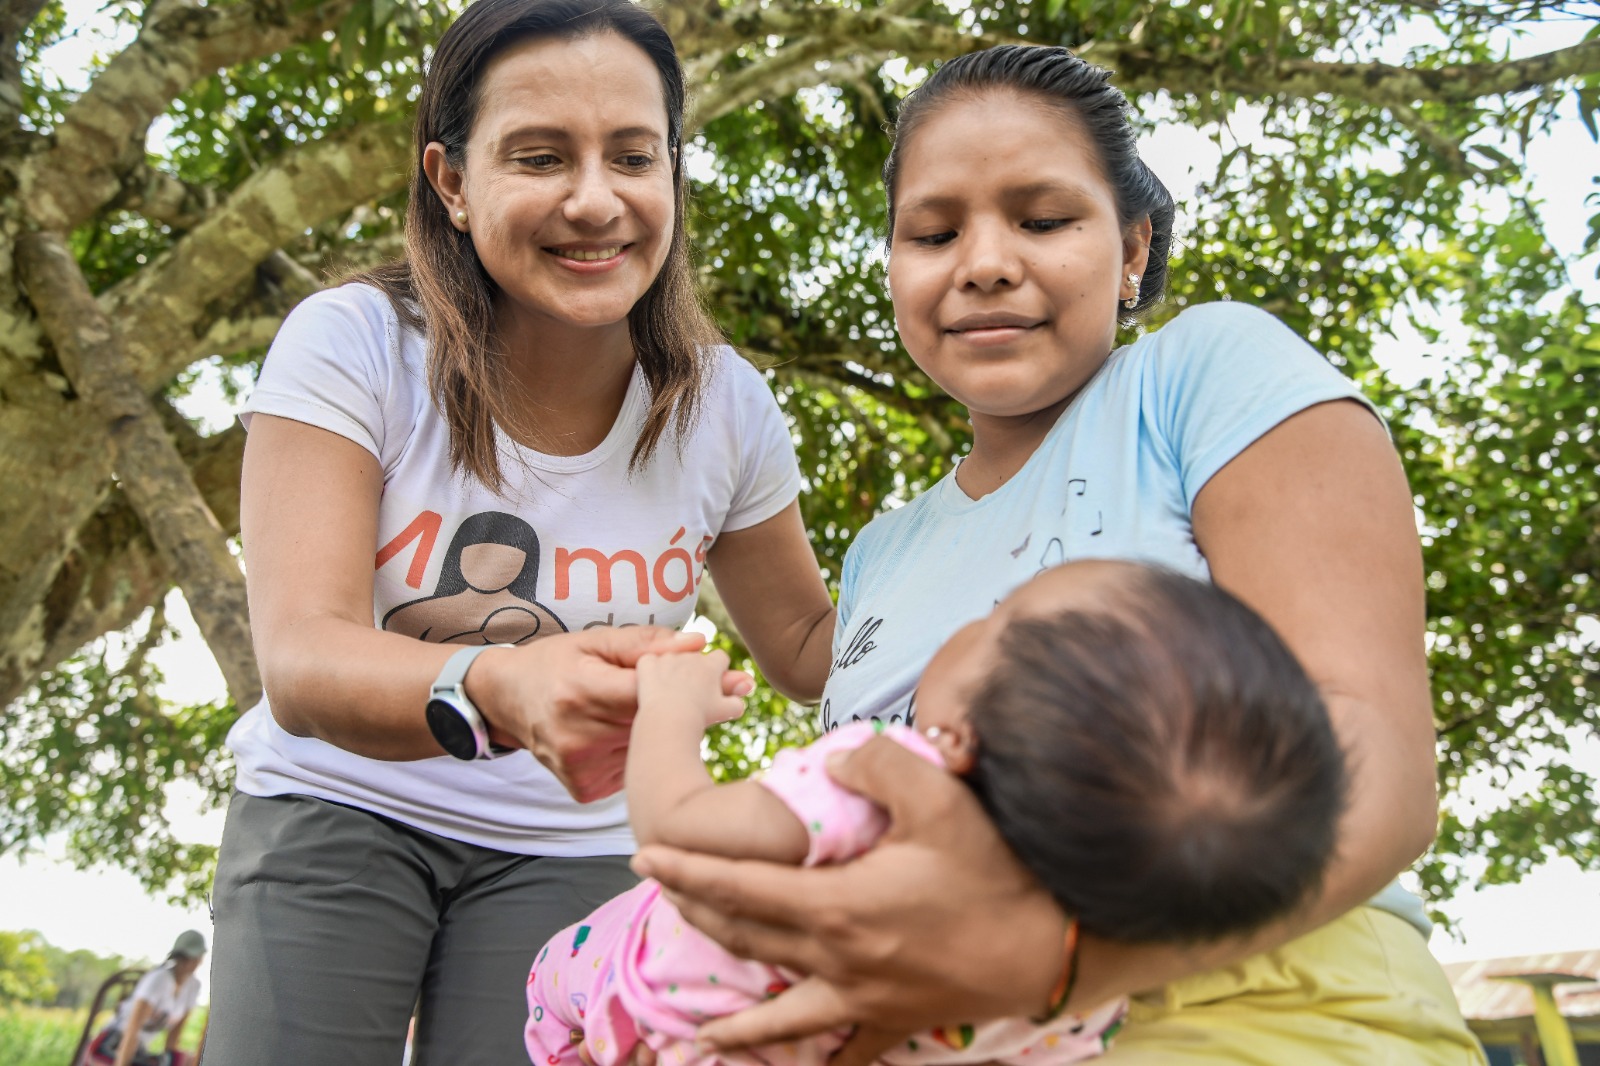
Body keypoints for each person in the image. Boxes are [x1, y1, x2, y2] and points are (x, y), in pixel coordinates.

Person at [633, 44, 1488, 1066]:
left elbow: (1377, 760)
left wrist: (1051, 961)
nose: (984, 262)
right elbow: (790, 648)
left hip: (1256, 993)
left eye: (1042, 220)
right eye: (933, 233)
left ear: (1132, 250)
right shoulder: (880, 551)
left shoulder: (1202, 374)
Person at [205, 1, 835, 1064]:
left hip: (574, 851)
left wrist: (1006, 542)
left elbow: (813, 652)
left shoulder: (725, 405)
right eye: (540, 157)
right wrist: (499, 684)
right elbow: (301, 659)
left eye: (632, 156)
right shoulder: (354, 344)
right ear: (451, 181)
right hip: (337, 805)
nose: (595, 200)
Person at [526, 559, 1347, 1066]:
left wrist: (671, 706)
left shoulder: (876, 785)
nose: (973, 620)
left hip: (635, 1009)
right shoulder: (1086, 1002)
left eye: (996, 618)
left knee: (556, 975)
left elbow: (675, 837)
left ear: (956, 736)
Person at [87, 930, 205, 1066]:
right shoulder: (159, 979)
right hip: (114, 1044)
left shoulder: (193, 986)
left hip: (139, 1051)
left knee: (185, 1060)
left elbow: (174, 1036)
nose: (189, 963)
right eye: (185, 958)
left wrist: (171, 1061)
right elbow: (132, 1030)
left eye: (194, 958)